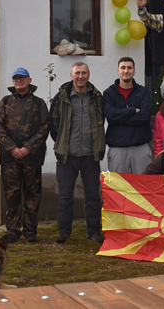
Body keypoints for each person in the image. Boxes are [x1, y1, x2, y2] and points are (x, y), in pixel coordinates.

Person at [49, 62, 105, 244]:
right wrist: (62, 144)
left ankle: (93, 231)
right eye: (77, 73)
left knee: (93, 196)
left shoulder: (97, 96)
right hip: (68, 156)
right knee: (65, 196)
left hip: (91, 155)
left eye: (84, 73)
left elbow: (101, 120)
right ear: (71, 75)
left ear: (89, 75)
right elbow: (54, 124)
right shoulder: (62, 97)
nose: (81, 76)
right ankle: (64, 231)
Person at [0, 67, 50, 243]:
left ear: (29, 80)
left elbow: (44, 127)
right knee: (12, 195)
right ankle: (12, 230)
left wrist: (28, 148)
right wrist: (12, 148)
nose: (19, 80)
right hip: (10, 159)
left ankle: (30, 230)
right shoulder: (5, 102)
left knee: (32, 195)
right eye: (16, 78)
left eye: (23, 78)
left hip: (32, 158)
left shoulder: (39, 103)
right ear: (12, 81)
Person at [102, 57, 152, 174]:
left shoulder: (143, 91)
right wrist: (133, 110)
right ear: (118, 70)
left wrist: (120, 118)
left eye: (129, 68)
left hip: (140, 147)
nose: (126, 71)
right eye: (123, 68)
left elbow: (145, 116)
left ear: (134, 71)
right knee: (118, 188)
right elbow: (110, 116)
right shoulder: (109, 93)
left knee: (143, 186)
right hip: (117, 148)